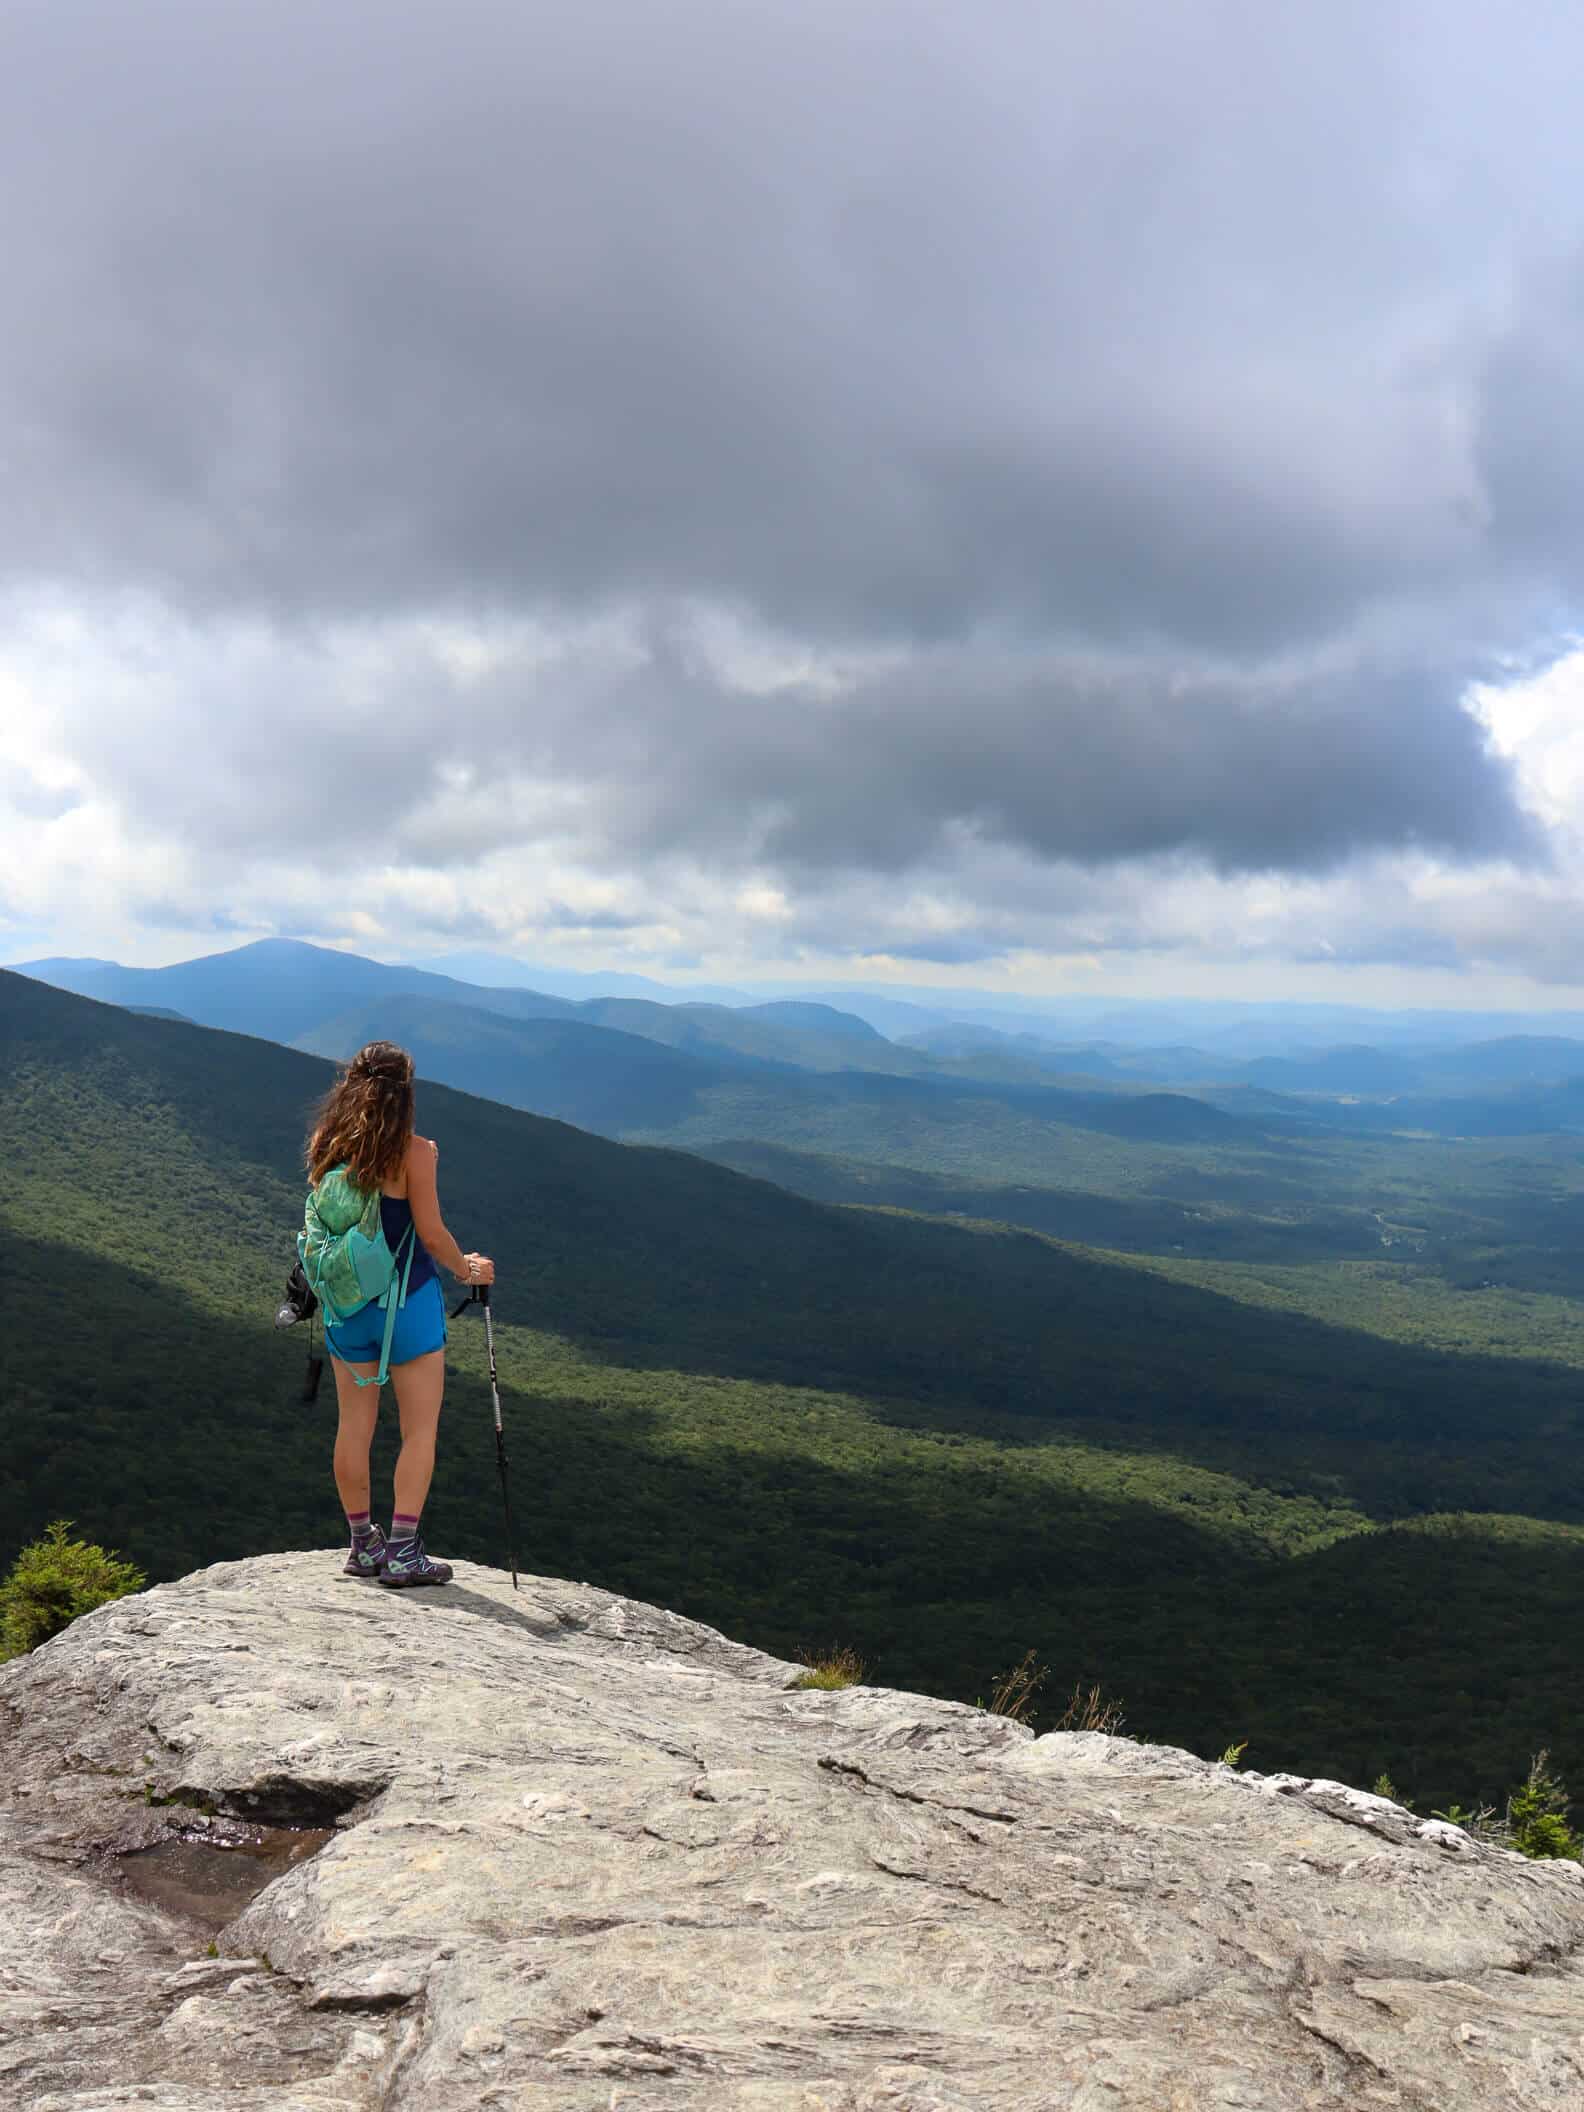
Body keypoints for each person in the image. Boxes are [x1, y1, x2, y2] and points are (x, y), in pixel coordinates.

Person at [303, 1040, 495, 1587]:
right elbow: (431, 1235)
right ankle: (405, 1551)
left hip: (345, 1308)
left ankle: (363, 1545)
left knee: (353, 1428)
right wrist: (469, 1269)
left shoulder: (326, 1145)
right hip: (403, 1309)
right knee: (419, 1431)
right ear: (405, 1094)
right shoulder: (414, 1153)